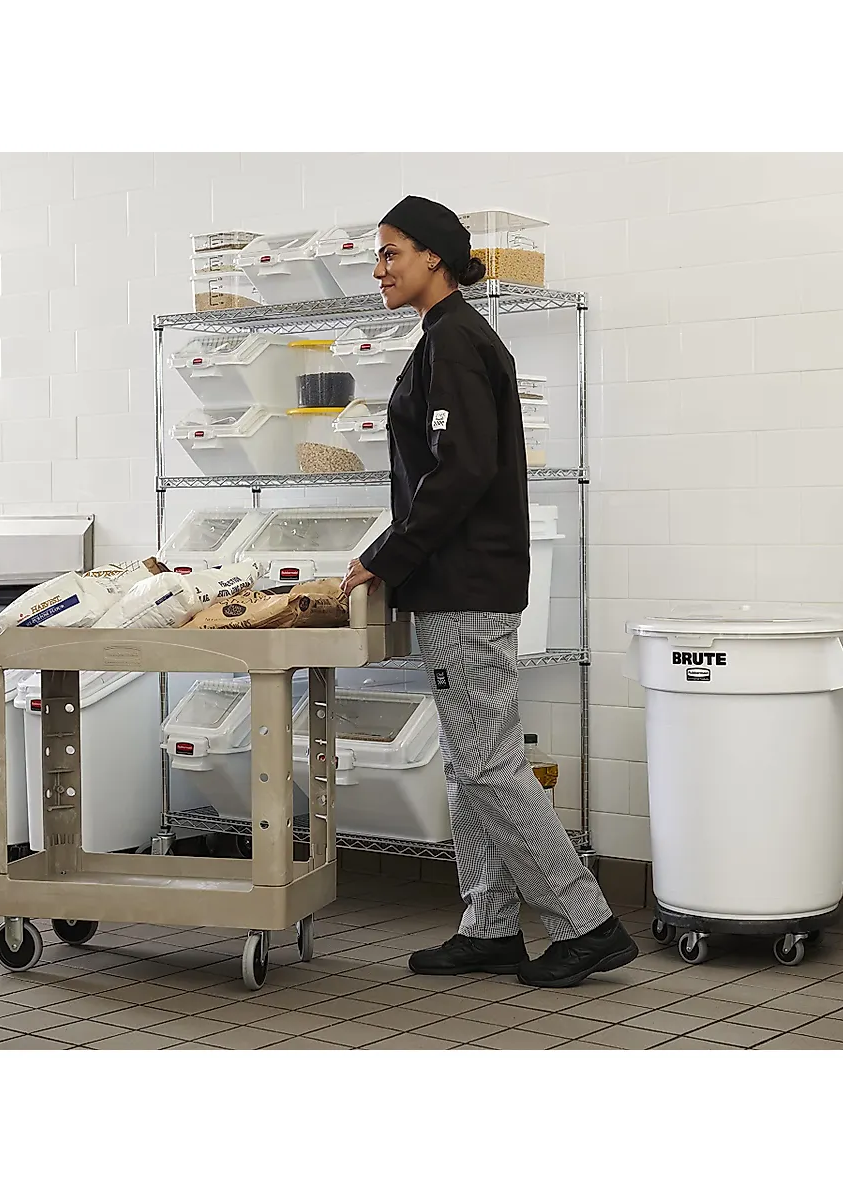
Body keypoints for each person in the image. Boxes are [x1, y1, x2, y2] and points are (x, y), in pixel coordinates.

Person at [341, 195, 638, 988]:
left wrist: (386, 557)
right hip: (457, 583)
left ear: (433, 256)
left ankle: (586, 923)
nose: (379, 269)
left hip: (465, 585)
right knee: (469, 763)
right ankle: (489, 926)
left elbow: (461, 471)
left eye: (391, 253)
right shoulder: (445, 338)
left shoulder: (458, 342)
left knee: (488, 764)